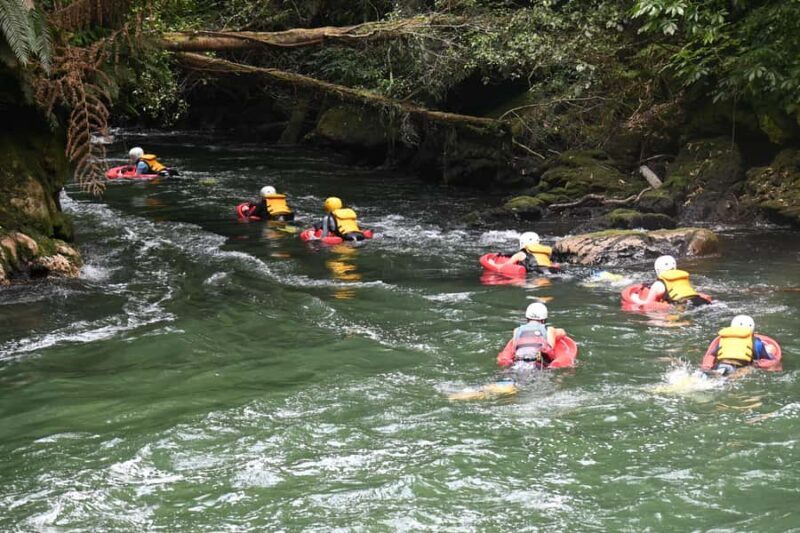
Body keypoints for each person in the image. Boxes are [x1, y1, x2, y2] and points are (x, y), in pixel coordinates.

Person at [496, 302, 567, 368]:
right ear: (544, 319)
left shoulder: (517, 330)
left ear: (527, 318)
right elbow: (563, 333)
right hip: (538, 365)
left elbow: (514, 349)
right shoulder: (550, 330)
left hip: (518, 363)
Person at [703, 315, 776, 376]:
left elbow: (712, 355)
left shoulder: (723, 340)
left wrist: (707, 367)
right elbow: (767, 359)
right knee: (752, 366)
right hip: (739, 368)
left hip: (721, 365)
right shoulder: (756, 342)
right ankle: (733, 376)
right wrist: (771, 355)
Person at [632, 254, 708, 306]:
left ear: (658, 270)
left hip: (682, 306)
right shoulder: (683, 279)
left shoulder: (658, 285)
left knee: (655, 322)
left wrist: (634, 298)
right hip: (701, 302)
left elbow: (647, 304)